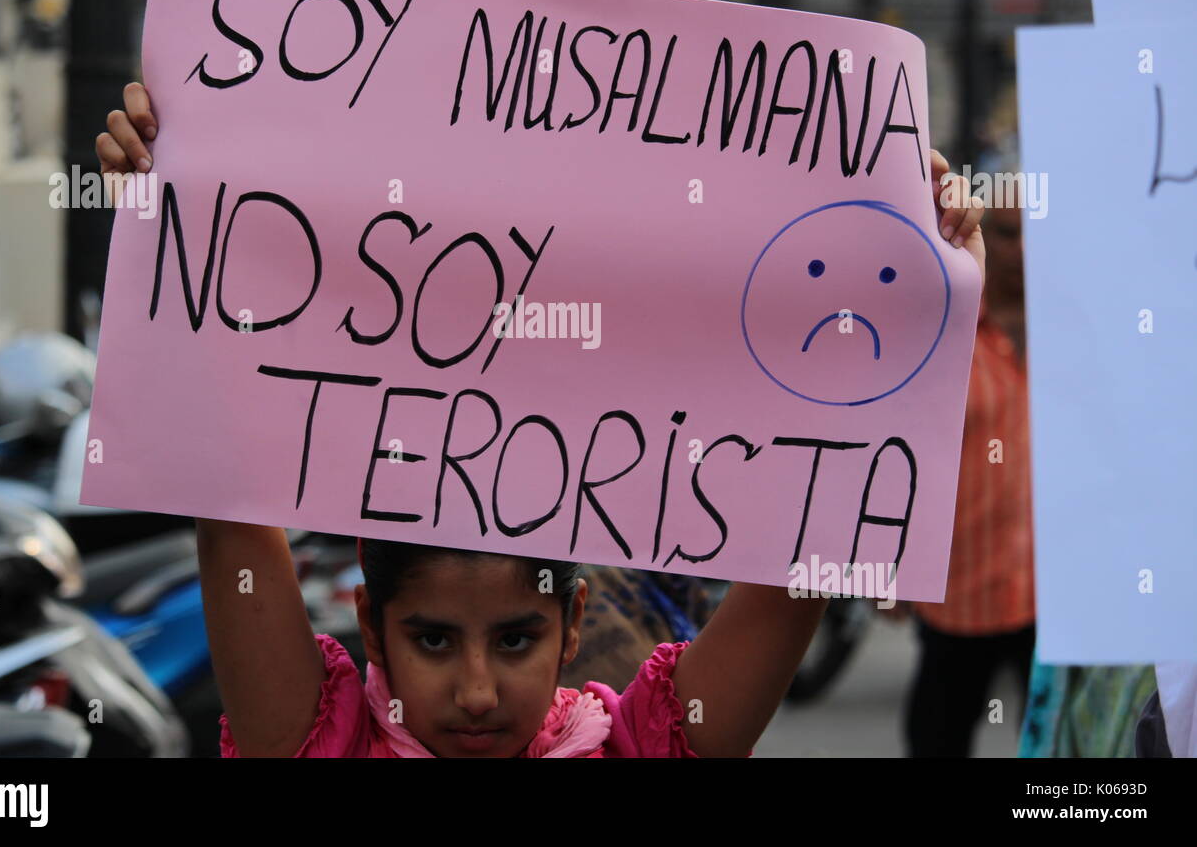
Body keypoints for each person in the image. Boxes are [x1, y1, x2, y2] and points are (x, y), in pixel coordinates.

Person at [96, 82, 986, 758]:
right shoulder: (317, 739)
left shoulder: (635, 745)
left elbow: (812, 535)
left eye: (516, 638)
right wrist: (171, 192)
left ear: (573, 622)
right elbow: (227, 504)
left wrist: (914, 286)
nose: (477, 691)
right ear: (370, 627)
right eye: (433, 639)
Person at [904, 181, 1034, 757]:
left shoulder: (1083, 329)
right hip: (959, 592)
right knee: (938, 737)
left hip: (1053, 595)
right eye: (1007, 233)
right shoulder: (944, 324)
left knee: (1066, 755)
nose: (1024, 250)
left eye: (1037, 232)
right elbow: (905, 449)